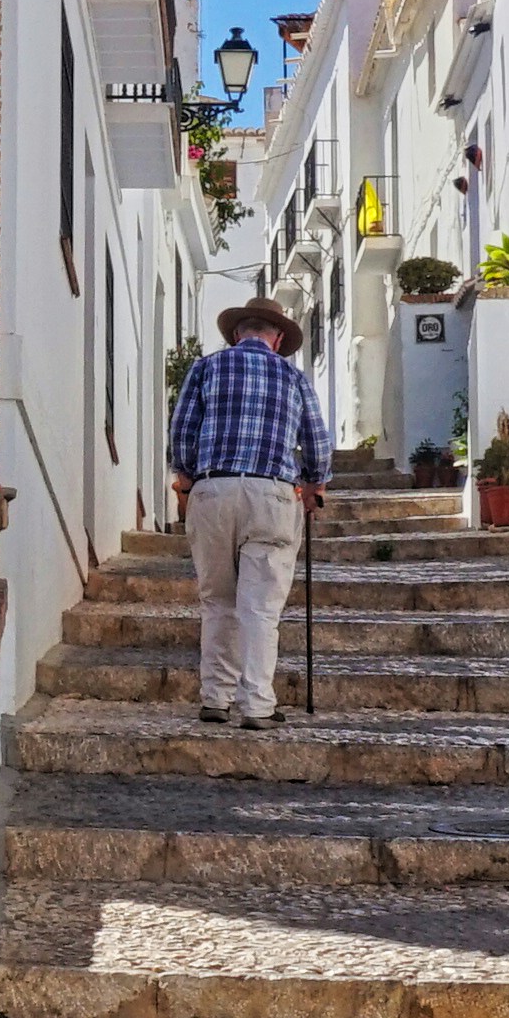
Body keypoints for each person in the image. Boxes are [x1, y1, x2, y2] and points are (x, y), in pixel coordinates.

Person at [165, 297, 328, 728]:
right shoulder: (294, 377)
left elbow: (181, 432)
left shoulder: (206, 368)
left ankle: (215, 698)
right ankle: (257, 705)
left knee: (217, 599)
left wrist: (187, 480)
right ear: (277, 338)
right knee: (260, 607)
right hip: (272, 495)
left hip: (213, 489)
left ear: (238, 333)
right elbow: (317, 442)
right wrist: (314, 484)